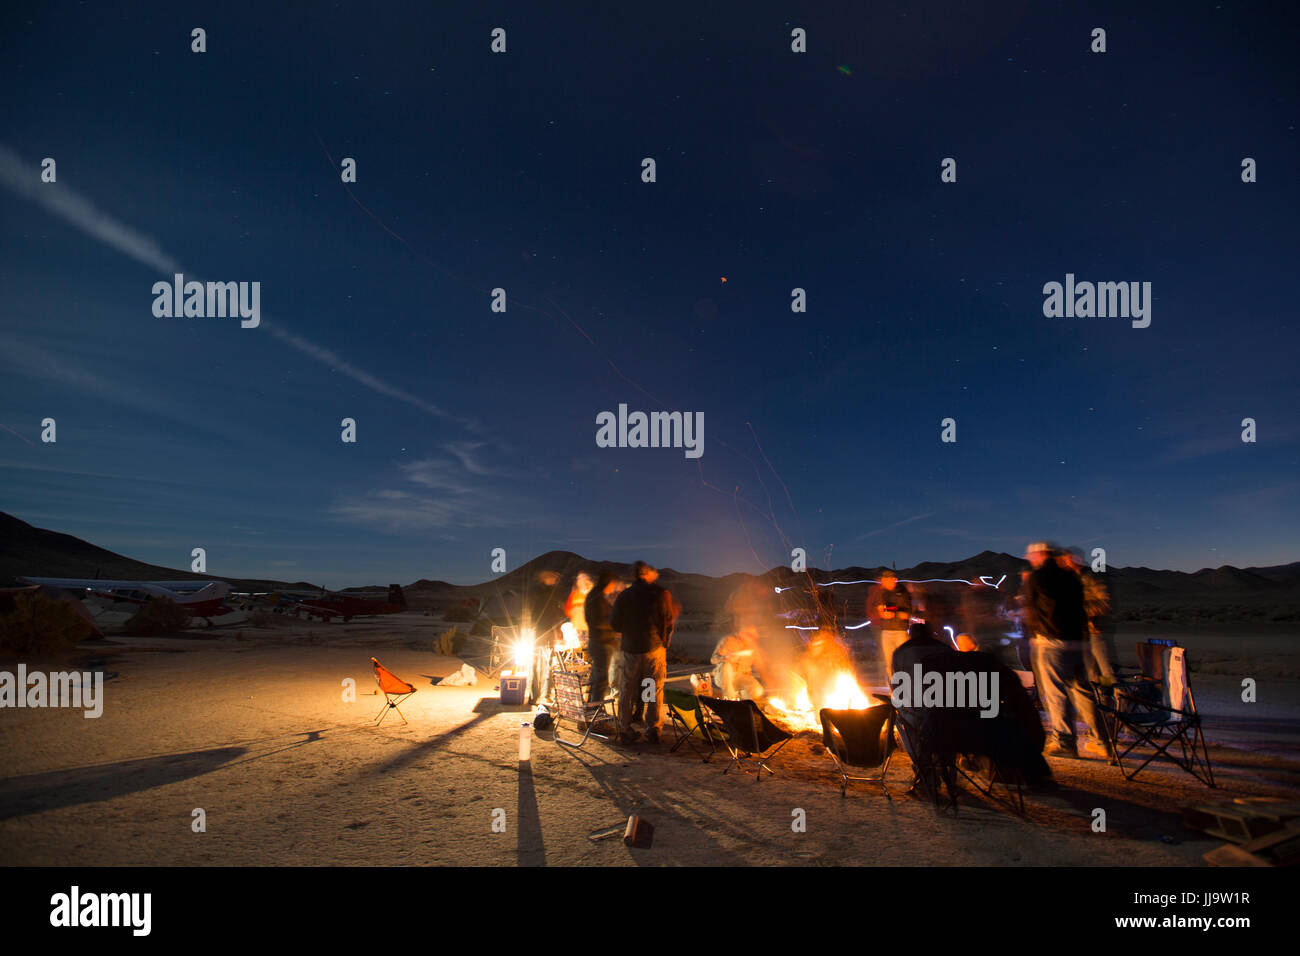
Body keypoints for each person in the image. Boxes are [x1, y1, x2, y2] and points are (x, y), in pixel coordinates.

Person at [1020, 542, 1112, 760]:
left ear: (1041, 555)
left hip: (1050, 641)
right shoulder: (1072, 578)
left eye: (1032, 556)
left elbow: (1030, 608)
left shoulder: (1038, 577)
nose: (1029, 559)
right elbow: (1080, 608)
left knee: (1055, 692)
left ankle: (1065, 741)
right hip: (1077, 642)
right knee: (1082, 691)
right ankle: (1101, 740)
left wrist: (1033, 634)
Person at [610, 561, 680, 744]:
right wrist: (663, 642)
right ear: (647, 574)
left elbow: (614, 623)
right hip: (653, 649)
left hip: (630, 649)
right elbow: (667, 621)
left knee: (627, 688)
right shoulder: (660, 595)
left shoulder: (625, 596)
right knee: (652, 687)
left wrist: (628, 632)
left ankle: (625, 728)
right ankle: (652, 728)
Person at [1057, 548, 1118, 688]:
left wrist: (1080, 609)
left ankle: (1116, 699)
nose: (1064, 563)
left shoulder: (1091, 578)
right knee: (1091, 674)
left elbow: (1105, 604)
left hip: (1094, 633)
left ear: (1074, 559)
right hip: (1079, 635)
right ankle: (1101, 701)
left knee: (1105, 672)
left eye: (1066, 560)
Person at [523, 570, 567, 705]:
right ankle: (537, 694)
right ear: (545, 578)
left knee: (544, 664)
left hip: (542, 631)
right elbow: (552, 614)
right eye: (553, 577)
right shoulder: (543, 593)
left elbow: (555, 612)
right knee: (538, 663)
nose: (555, 579)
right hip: (541, 631)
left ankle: (541, 694)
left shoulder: (545, 592)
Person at [583, 571, 621, 703]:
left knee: (596, 678)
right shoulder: (596, 598)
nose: (614, 587)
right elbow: (597, 621)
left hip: (599, 641)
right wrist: (615, 627)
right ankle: (595, 710)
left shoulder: (597, 596)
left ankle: (592, 707)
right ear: (608, 583)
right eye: (613, 584)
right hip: (601, 643)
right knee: (601, 680)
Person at [866, 570, 913, 678]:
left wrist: (894, 614)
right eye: (882, 580)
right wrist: (882, 612)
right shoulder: (884, 593)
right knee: (889, 663)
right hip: (886, 631)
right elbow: (882, 609)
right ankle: (893, 689)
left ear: (893, 580)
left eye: (885, 580)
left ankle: (906, 688)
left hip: (900, 632)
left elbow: (907, 613)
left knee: (903, 662)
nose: (882, 583)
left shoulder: (903, 593)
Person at [711, 624, 763, 700]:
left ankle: (743, 700)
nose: (752, 637)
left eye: (753, 635)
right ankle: (729, 699)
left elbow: (761, 666)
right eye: (749, 635)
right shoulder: (728, 641)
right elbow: (713, 659)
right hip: (724, 677)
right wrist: (725, 658)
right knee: (726, 666)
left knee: (757, 690)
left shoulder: (752, 646)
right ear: (741, 633)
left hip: (740, 677)